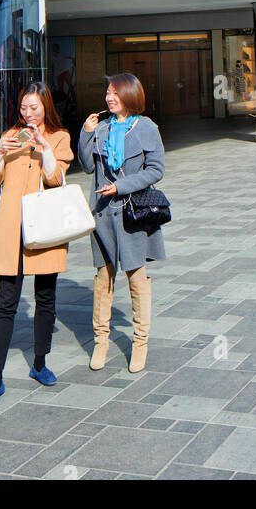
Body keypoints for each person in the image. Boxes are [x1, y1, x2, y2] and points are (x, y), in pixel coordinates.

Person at [0, 82, 74, 408]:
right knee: (6, 303)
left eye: (33, 107)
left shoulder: (59, 137)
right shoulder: (12, 135)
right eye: (23, 107)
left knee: (45, 299)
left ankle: (40, 364)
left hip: (44, 230)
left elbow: (56, 178)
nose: (27, 113)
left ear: (46, 106)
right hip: (12, 229)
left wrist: (45, 147)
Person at [79, 74, 165, 373]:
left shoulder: (146, 128)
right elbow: (88, 166)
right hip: (103, 212)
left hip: (132, 213)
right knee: (103, 278)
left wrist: (123, 186)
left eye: (115, 92)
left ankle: (140, 342)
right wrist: (86, 132)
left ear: (130, 95)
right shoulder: (101, 127)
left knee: (137, 277)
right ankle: (100, 341)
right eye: (107, 91)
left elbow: (156, 170)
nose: (109, 97)